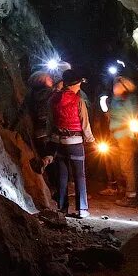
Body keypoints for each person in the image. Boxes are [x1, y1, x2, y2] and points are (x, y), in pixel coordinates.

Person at [45, 69, 95, 218]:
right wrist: (91, 140)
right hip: (75, 143)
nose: (80, 86)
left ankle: (62, 208)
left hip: (59, 142)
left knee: (62, 175)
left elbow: (50, 121)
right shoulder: (78, 100)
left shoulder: (53, 99)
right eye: (79, 83)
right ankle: (82, 209)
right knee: (79, 175)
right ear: (75, 84)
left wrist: (51, 138)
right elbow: (85, 124)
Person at [108, 76, 138, 205]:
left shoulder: (131, 100)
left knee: (127, 166)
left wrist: (114, 115)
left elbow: (129, 116)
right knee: (119, 165)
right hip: (115, 135)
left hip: (125, 136)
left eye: (116, 85)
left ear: (123, 86)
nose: (114, 87)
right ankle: (122, 189)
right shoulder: (116, 99)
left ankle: (131, 196)